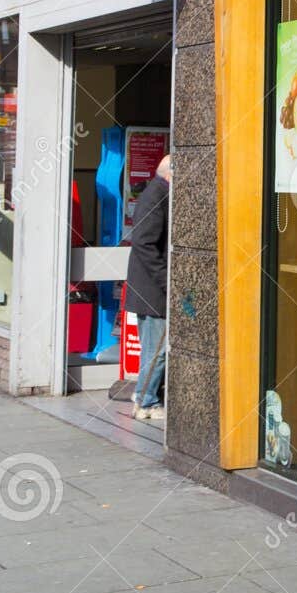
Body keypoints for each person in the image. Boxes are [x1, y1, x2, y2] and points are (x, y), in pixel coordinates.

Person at [127, 154, 171, 422]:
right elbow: (144, 243)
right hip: (153, 290)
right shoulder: (157, 196)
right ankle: (145, 402)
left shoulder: (155, 192)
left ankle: (145, 395)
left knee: (154, 349)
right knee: (157, 350)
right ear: (170, 174)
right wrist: (167, 280)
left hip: (148, 288)